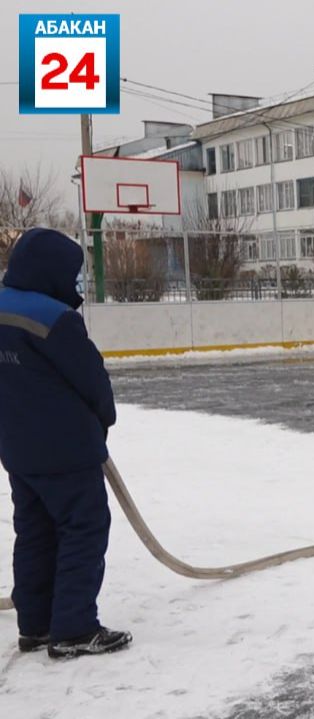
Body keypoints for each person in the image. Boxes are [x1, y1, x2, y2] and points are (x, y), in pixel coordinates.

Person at [0, 228, 131, 658]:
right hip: (67, 451)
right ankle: (74, 628)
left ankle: (36, 625)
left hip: (17, 450)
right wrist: (104, 419)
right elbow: (91, 380)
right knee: (83, 528)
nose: (77, 284)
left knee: (33, 531)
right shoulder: (55, 319)